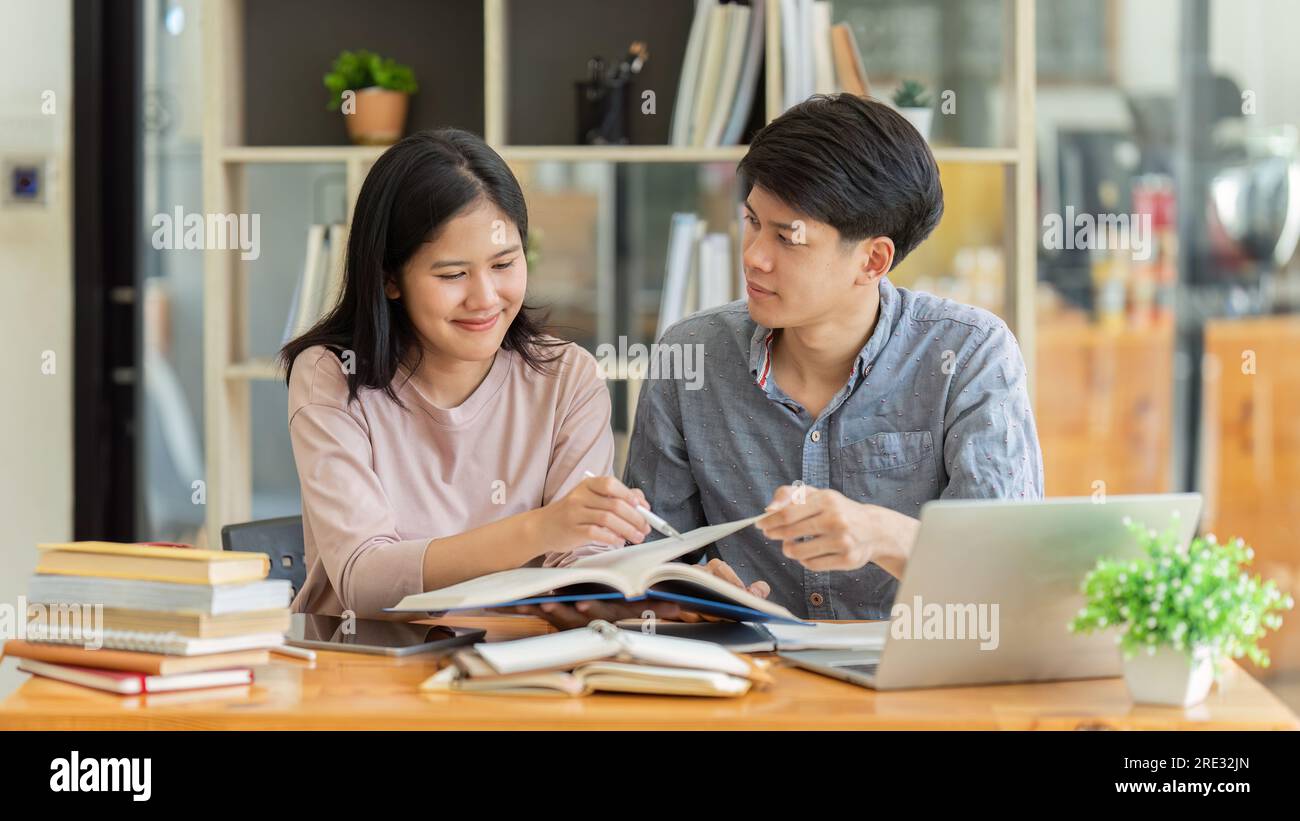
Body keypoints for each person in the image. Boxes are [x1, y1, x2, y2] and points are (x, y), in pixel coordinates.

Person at [526, 94, 1044, 628]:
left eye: (787, 236)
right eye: (752, 221)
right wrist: (684, 592)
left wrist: (879, 534)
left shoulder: (969, 354)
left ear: (873, 259)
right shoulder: (692, 356)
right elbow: (649, 561)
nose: (753, 254)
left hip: (918, 679)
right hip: (750, 683)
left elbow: (1008, 566)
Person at [280, 128, 652, 621]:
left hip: (518, 671)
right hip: (366, 673)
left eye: (504, 263)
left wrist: (652, 592)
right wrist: (541, 529)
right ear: (390, 278)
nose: (485, 298)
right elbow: (364, 581)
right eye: (452, 275)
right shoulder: (332, 377)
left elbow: (580, 571)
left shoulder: (568, 378)